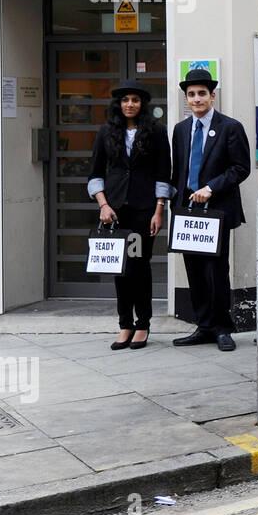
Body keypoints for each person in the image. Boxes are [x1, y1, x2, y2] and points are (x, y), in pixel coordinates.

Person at [170, 69, 251, 352]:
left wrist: (211, 188)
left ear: (212, 96)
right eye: (191, 95)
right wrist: (174, 204)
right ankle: (204, 326)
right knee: (193, 270)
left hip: (216, 210)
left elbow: (241, 168)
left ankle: (222, 327)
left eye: (201, 93)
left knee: (216, 271)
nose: (196, 99)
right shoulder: (180, 130)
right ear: (186, 99)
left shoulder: (230, 127)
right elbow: (178, 171)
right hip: (187, 213)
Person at [87, 80, 172, 350]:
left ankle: (143, 324)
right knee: (120, 270)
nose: (130, 104)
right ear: (118, 104)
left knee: (140, 266)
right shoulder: (106, 132)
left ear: (142, 104)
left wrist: (159, 210)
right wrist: (103, 205)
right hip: (114, 211)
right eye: (125, 100)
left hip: (144, 209)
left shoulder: (156, 132)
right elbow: (95, 173)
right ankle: (125, 324)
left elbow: (163, 173)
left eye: (135, 100)